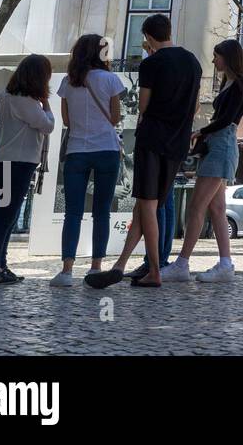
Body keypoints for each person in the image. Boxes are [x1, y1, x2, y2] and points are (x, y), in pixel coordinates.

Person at [86, 14, 201, 289]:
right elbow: (195, 106)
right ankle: (120, 265)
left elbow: (144, 106)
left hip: (152, 138)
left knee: (148, 205)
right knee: (147, 205)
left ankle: (154, 271)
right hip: (178, 141)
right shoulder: (193, 62)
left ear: (148, 37)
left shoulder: (152, 64)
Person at [163, 39, 243, 284]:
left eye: (216, 56)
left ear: (229, 57)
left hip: (221, 145)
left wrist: (200, 132)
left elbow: (226, 119)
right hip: (219, 144)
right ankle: (225, 264)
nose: (213, 61)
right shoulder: (230, 83)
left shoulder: (239, 85)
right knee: (216, 209)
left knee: (197, 207)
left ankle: (182, 263)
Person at [50, 34, 126, 287]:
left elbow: (67, 121)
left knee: (72, 212)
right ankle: (95, 266)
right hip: (106, 149)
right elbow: (115, 117)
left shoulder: (68, 83)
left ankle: (66, 269)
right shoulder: (111, 80)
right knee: (101, 212)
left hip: (77, 150)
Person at [0, 55, 56, 285]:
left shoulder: (5, 97)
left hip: (2, 160)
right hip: (19, 162)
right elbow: (47, 125)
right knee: (7, 216)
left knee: (6, 214)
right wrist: (46, 104)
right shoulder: (26, 101)